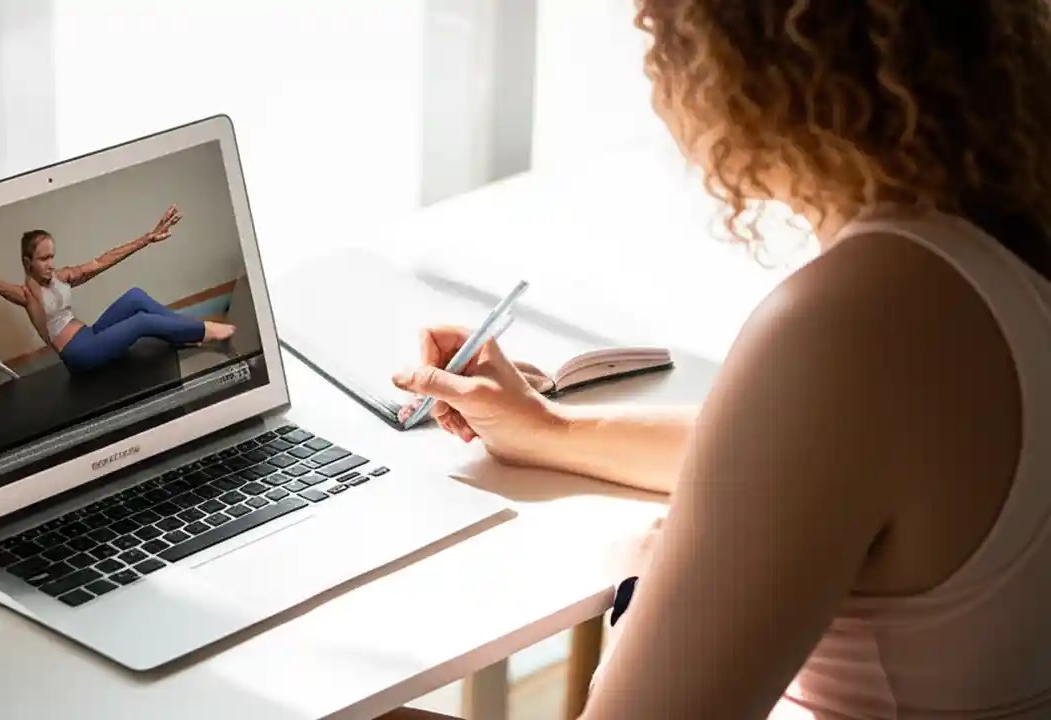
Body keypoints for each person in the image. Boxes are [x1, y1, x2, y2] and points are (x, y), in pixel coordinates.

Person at [387, 1, 1051, 718]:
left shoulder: (852, 323)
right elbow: (791, 459)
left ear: (742, 58)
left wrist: (641, 588)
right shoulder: (986, 254)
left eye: (662, 29)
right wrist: (549, 430)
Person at [0, 204, 236, 373]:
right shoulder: (27, 295)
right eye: (43, 259)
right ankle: (200, 330)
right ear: (28, 262)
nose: (50, 263)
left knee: (135, 297)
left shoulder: (62, 277)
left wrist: (147, 237)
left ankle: (183, 334)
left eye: (52, 256)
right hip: (79, 355)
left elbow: (103, 260)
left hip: (90, 334)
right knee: (142, 322)